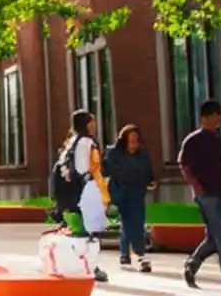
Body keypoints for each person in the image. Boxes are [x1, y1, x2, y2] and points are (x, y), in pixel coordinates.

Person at [179, 100, 221, 290]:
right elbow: (185, 166)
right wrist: (197, 187)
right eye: (215, 115)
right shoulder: (192, 141)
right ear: (205, 118)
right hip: (206, 195)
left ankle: (192, 265)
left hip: (220, 194)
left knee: (213, 239)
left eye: (220, 115)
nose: (218, 119)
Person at [105, 124, 156, 273]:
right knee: (127, 222)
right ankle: (137, 253)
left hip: (137, 192)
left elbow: (148, 171)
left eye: (136, 140)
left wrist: (151, 181)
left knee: (138, 222)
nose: (134, 144)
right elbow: (106, 168)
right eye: (131, 140)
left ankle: (128, 253)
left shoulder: (142, 154)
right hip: (121, 192)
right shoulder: (115, 153)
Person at [66, 110, 109, 282]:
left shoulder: (72, 142)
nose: (94, 125)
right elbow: (83, 169)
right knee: (91, 232)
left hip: (78, 190)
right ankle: (92, 267)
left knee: (83, 231)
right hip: (88, 189)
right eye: (92, 121)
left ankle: (85, 265)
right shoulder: (85, 142)